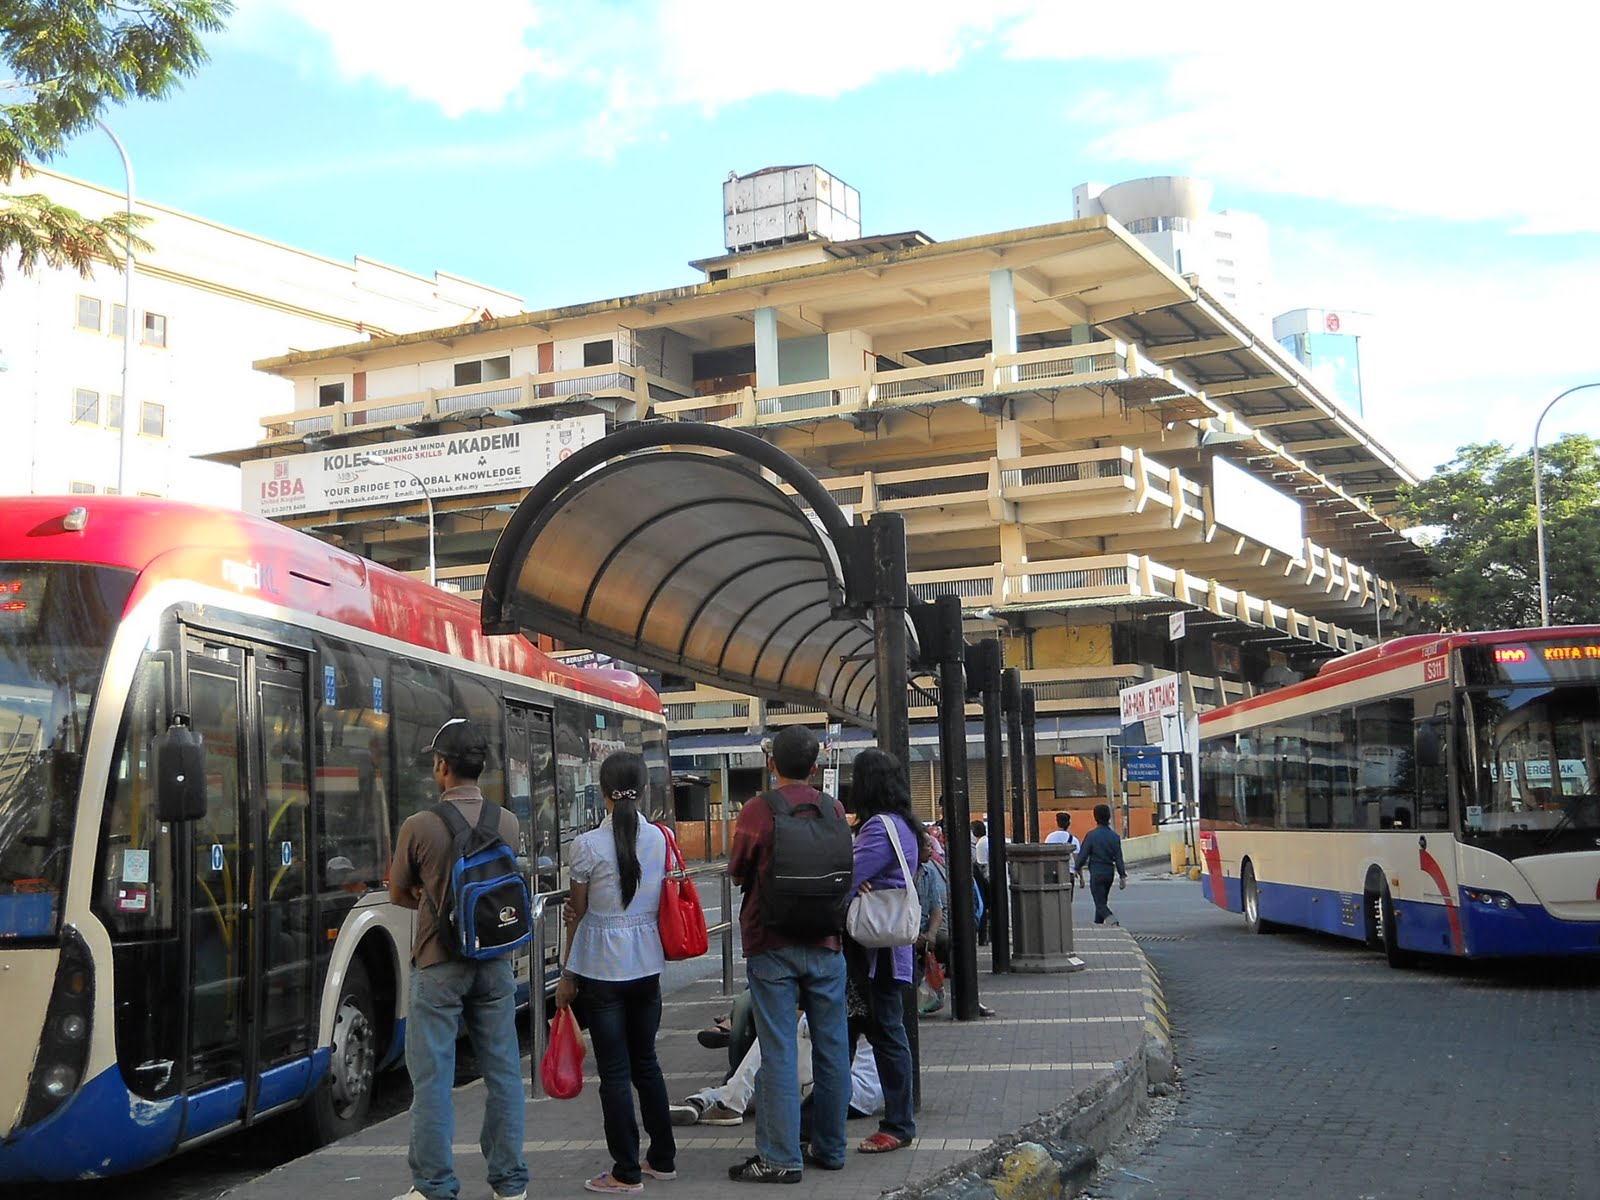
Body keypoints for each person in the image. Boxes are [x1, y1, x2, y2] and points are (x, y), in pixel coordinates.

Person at [388, 719, 528, 1200]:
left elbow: (398, 891)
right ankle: (510, 1185)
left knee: (432, 1082)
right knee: (504, 1074)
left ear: (442, 766)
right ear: (481, 768)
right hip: (494, 962)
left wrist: (435, 903)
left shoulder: (420, 826)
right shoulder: (506, 821)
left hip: (437, 963)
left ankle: (433, 1188)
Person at [726, 725, 852, 1183]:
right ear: (815, 766)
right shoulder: (833, 807)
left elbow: (738, 870)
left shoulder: (759, 810)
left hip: (771, 943)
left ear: (771, 764)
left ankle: (779, 1157)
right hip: (826, 940)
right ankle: (832, 1148)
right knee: (833, 1046)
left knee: (778, 1048)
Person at [556, 751, 675, 1194]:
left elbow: (579, 912)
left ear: (603, 793)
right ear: (643, 790)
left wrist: (567, 975)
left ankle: (625, 1171)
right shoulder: (660, 839)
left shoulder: (586, 845)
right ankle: (662, 1159)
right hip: (648, 965)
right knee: (647, 1062)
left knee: (615, 1072)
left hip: (601, 970)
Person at [846, 747, 927, 1154]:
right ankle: (817, 1117)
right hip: (887, 949)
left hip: (877, 953)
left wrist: (856, 882)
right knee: (874, 1032)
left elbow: (848, 874)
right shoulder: (904, 824)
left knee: (887, 1034)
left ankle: (898, 1122)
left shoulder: (880, 828)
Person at [670, 1015, 883, 1128]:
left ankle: (727, 1102)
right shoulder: (867, 990)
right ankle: (706, 1099)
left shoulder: (844, 993)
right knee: (763, 1085)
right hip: (857, 1094)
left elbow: (811, 1027)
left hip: (845, 1093)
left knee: (776, 1031)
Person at [1074, 803, 1128, 926]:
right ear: (1108, 817)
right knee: (1102, 900)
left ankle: (1112, 920)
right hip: (1109, 873)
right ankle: (1098, 924)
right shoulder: (1114, 836)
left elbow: (1083, 854)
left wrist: (1077, 868)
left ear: (1095, 817)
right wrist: (1122, 876)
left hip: (1097, 872)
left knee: (1099, 903)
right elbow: (1119, 857)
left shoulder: (1091, 835)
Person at [914, 829, 949, 1014]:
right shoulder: (902, 874)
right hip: (906, 934)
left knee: (949, 943)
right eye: (927, 846)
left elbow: (937, 908)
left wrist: (932, 934)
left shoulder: (929, 872)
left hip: (925, 932)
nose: (931, 849)